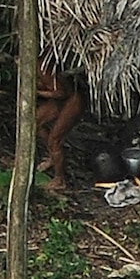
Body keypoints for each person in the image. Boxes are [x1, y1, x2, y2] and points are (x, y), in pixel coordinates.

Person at [36, 61, 84, 191]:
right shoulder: (28, 70)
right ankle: (53, 156)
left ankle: (59, 179)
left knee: (54, 140)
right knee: (35, 123)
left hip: (71, 101)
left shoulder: (40, 68)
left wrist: (37, 93)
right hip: (58, 101)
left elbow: (61, 92)